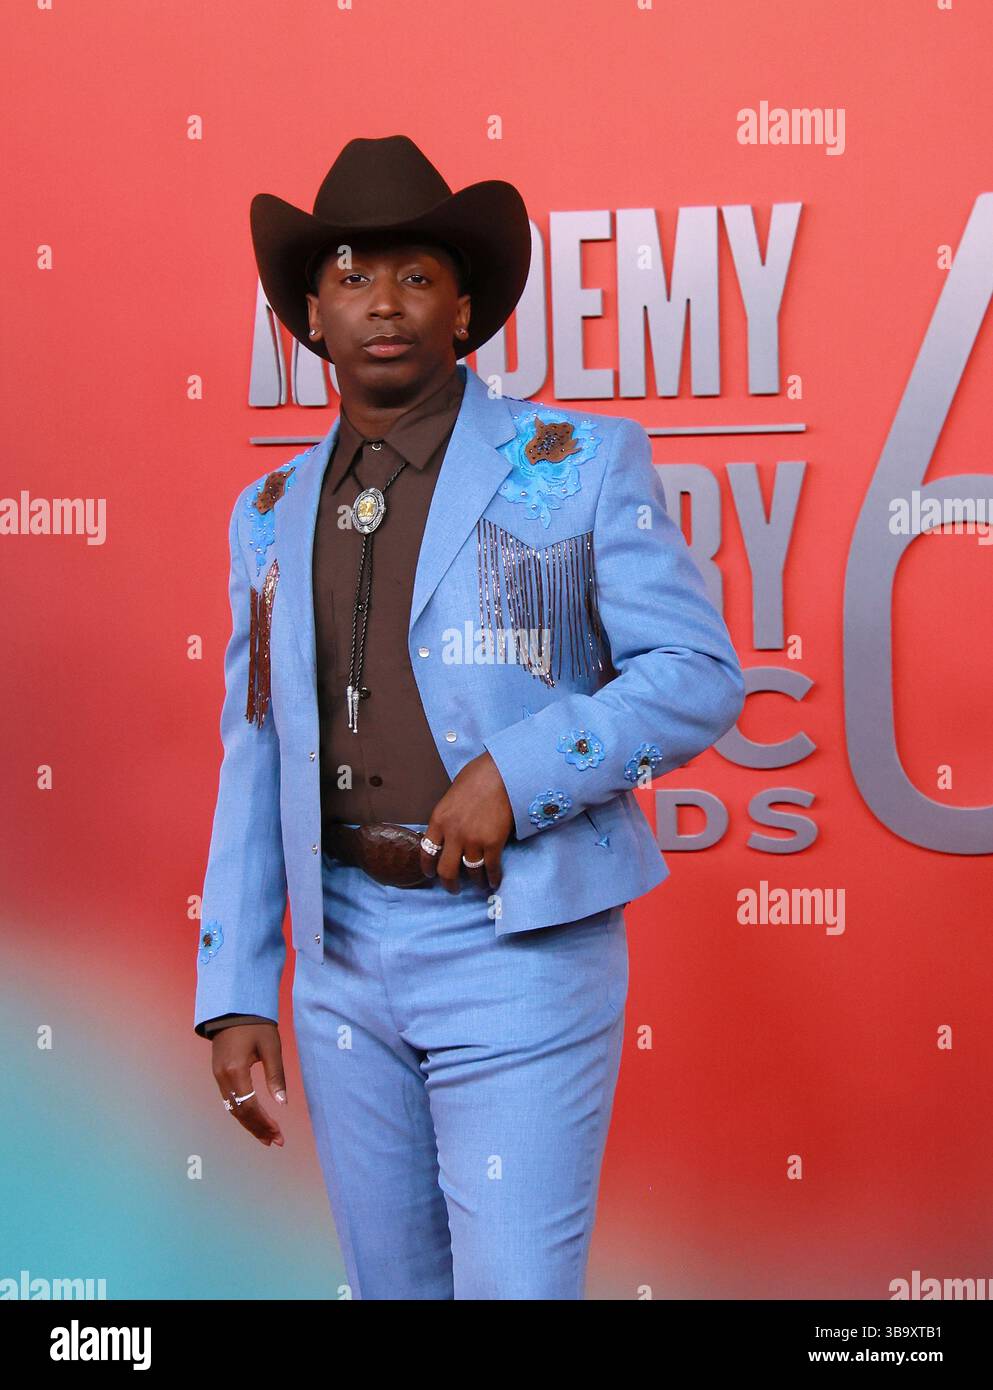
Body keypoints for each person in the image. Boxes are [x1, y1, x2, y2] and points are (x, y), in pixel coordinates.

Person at [194, 134, 745, 1299]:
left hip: (518, 944)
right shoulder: (268, 510)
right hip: (339, 958)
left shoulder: (579, 461)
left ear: (465, 309)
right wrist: (238, 984)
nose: (382, 303)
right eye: (351, 274)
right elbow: (258, 750)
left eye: (416, 275)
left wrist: (519, 768)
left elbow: (696, 669)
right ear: (309, 310)